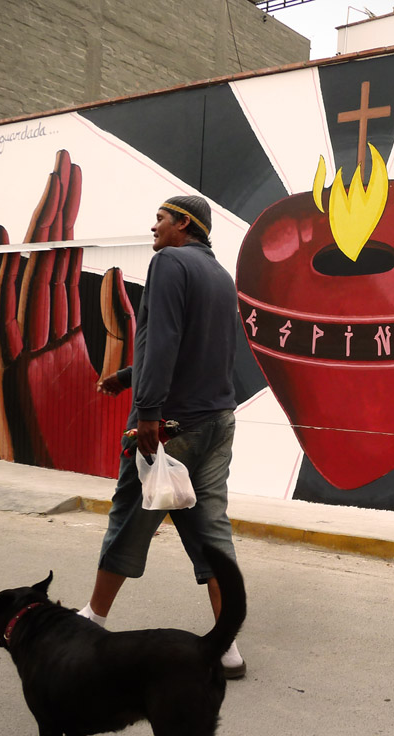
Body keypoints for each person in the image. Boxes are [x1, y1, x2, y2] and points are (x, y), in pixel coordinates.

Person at [77, 194, 246, 678]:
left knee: (129, 513)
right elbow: (200, 347)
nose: (154, 227)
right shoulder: (220, 276)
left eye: (161, 219)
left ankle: (93, 619)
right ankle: (227, 648)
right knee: (211, 529)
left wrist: (148, 411)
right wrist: (129, 375)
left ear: (184, 224)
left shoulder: (171, 262)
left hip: (171, 424)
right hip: (217, 419)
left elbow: (168, 337)